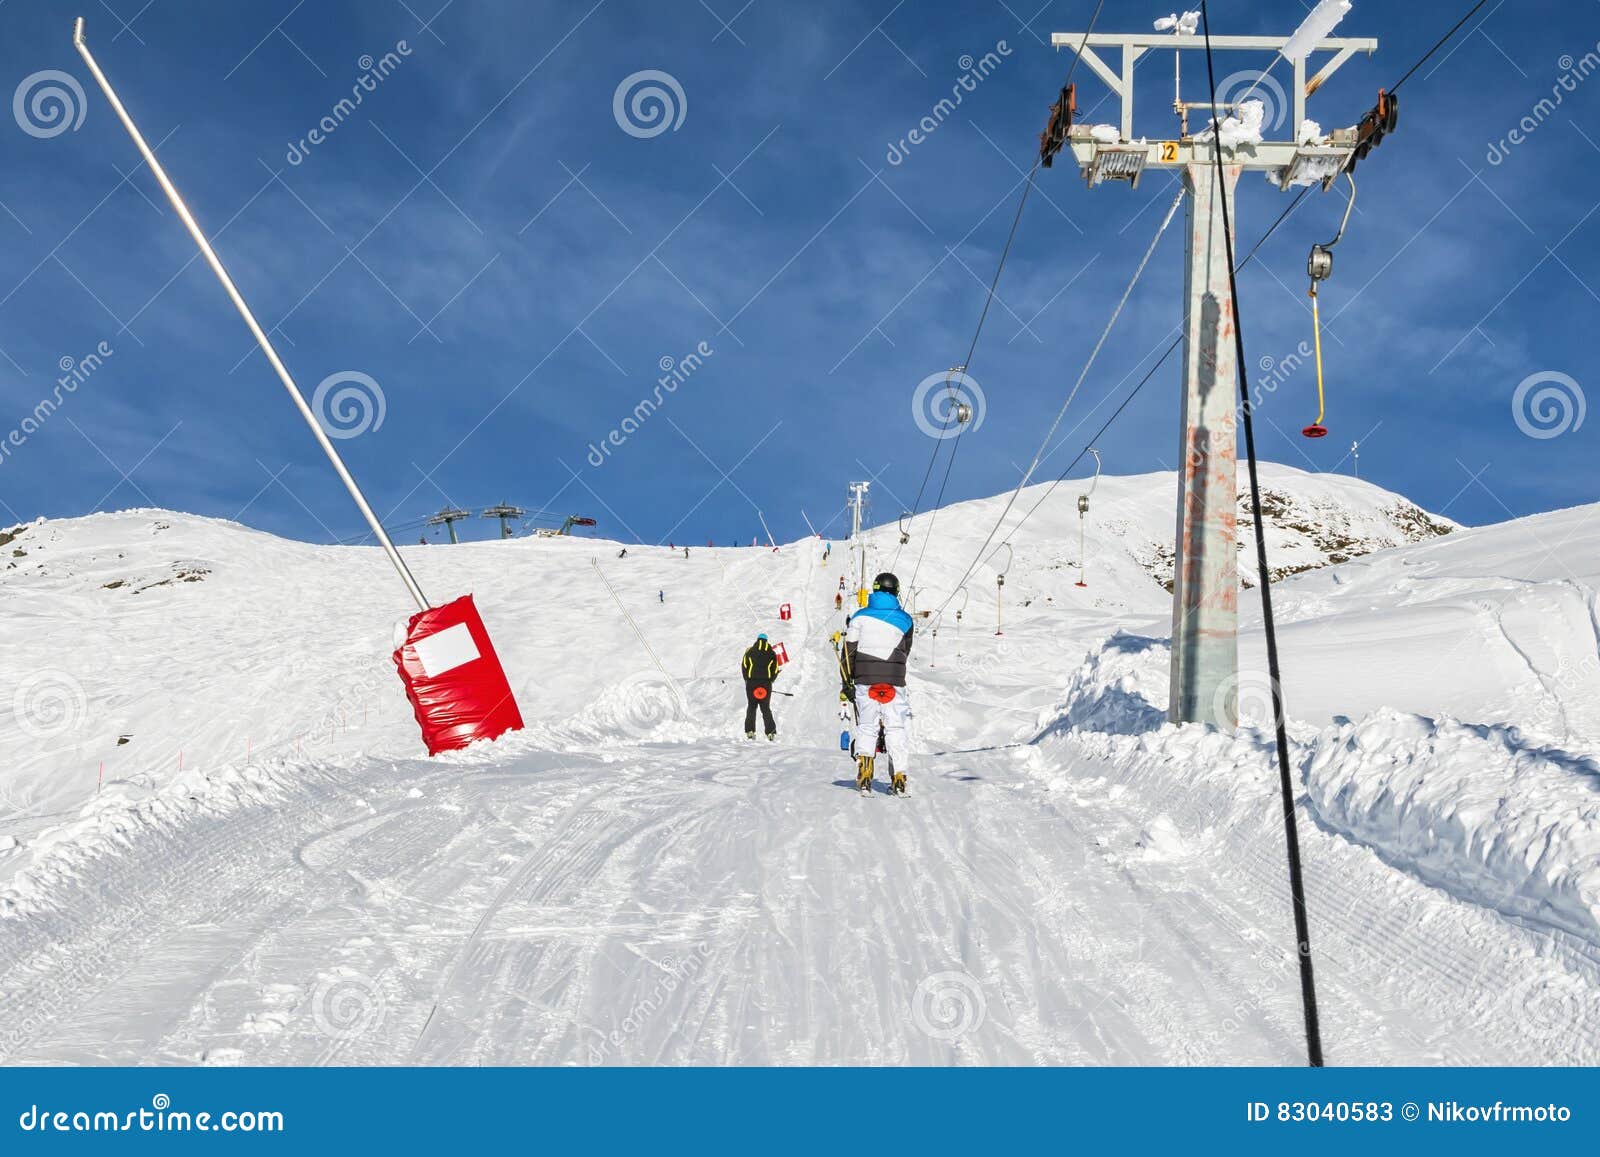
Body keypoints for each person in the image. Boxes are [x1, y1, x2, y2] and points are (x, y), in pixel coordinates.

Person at [840, 572, 913, 795]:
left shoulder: (859, 617)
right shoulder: (906, 619)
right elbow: (905, 651)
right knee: (895, 726)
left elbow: (847, 653)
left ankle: (864, 775)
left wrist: (847, 682)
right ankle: (899, 776)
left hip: (865, 680)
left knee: (867, 725)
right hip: (894, 682)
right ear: (896, 591)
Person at [741, 633, 781, 741]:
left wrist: (747, 679)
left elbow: (744, 666)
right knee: (765, 708)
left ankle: (750, 731)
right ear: (766, 641)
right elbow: (775, 669)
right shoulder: (771, 653)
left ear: (757, 640)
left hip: (751, 683)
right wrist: (771, 680)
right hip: (765, 684)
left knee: (751, 707)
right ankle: (770, 732)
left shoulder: (750, 652)